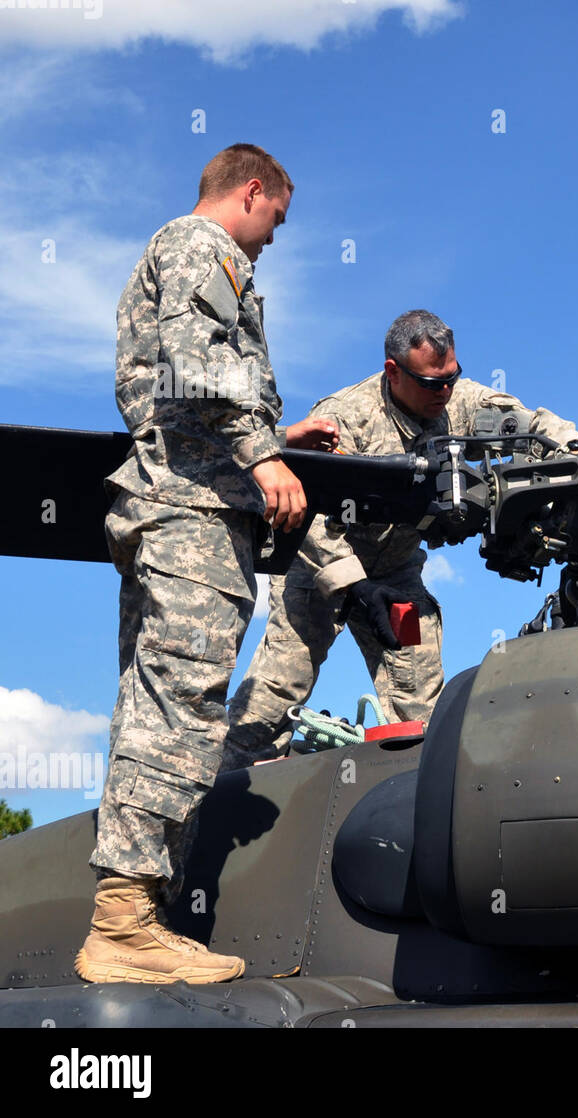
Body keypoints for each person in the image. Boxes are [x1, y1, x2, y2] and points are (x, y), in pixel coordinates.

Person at [77, 144, 340, 985]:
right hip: (190, 510)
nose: (271, 242)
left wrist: (278, 432)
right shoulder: (203, 244)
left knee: (156, 700)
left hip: (171, 498)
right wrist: (265, 456)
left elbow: (172, 384)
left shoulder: (175, 251)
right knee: (184, 704)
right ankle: (122, 925)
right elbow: (197, 357)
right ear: (252, 192)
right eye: (275, 221)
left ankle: (139, 918)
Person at [223, 309, 578, 768]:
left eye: (452, 377)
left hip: (395, 571)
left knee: (418, 692)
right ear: (394, 371)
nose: (445, 392)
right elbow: (309, 516)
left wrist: (573, 453)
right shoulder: (343, 417)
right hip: (320, 572)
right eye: (432, 384)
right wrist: (355, 585)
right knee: (276, 691)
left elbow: (531, 427)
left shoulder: (460, 401)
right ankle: (221, 795)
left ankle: (410, 791)